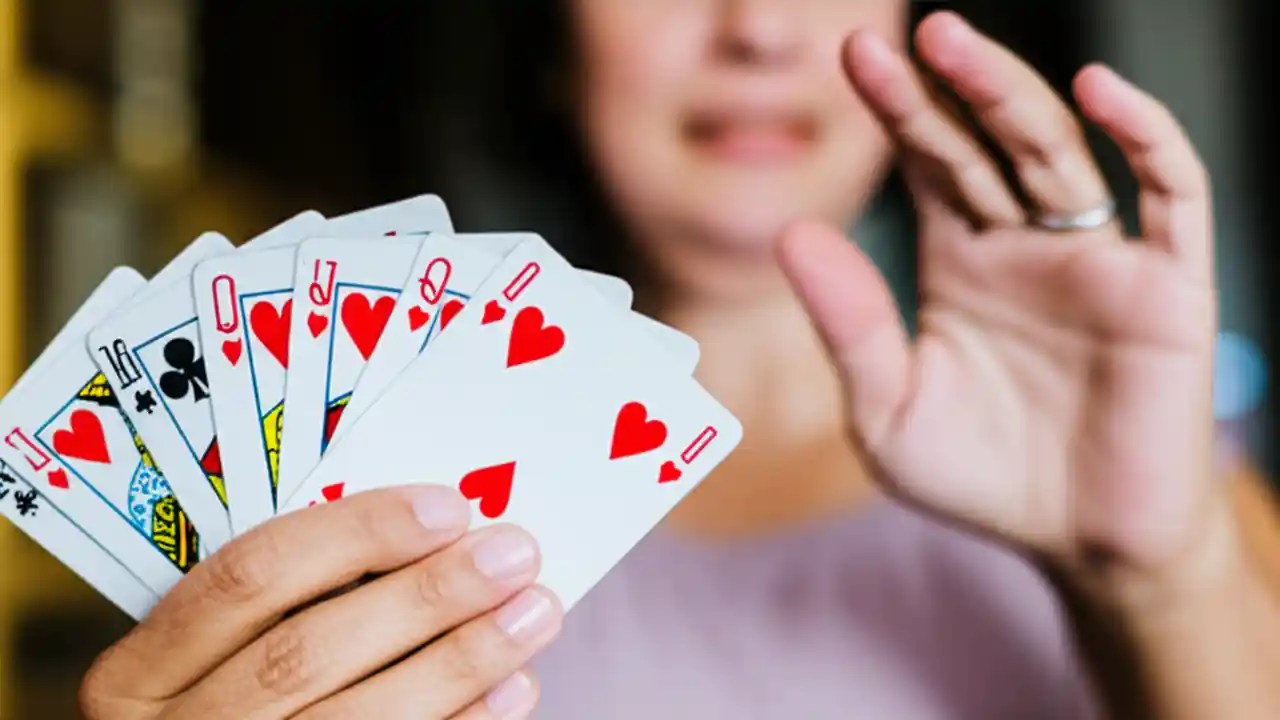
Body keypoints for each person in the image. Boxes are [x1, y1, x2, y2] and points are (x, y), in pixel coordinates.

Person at [78, 3, 1280, 719]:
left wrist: (1153, 580)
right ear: (552, 44)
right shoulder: (306, 482)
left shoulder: (1165, 488)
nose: (755, 27)